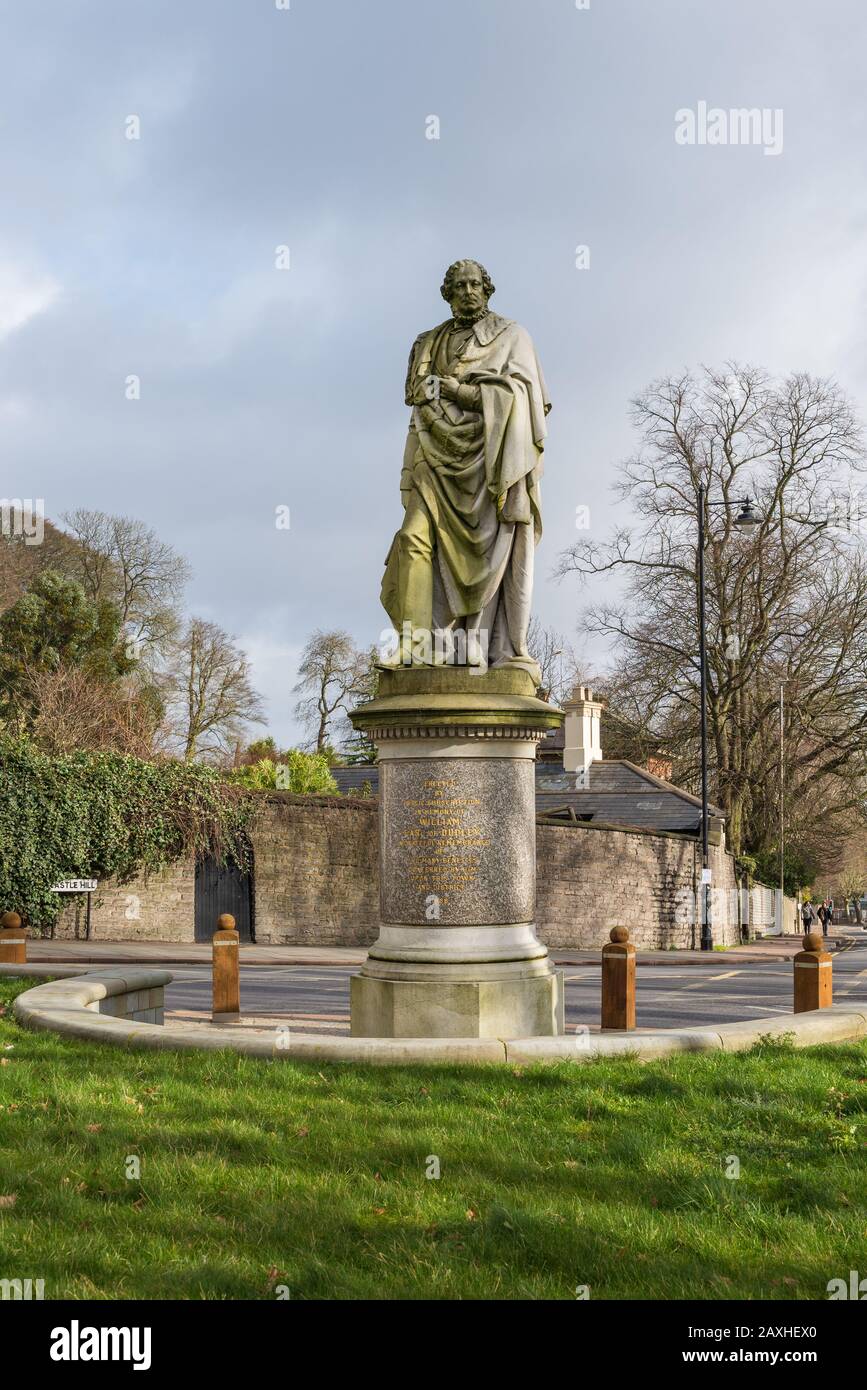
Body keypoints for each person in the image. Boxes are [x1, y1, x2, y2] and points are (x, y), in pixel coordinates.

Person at [381, 259, 551, 679]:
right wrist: (406, 475)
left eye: (475, 284)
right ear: (447, 293)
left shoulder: (511, 336)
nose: (468, 291)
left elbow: (524, 401)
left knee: (486, 556)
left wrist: (460, 391)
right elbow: (416, 418)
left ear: (487, 289)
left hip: (491, 467)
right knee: (412, 539)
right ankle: (416, 646)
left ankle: (476, 645)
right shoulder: (426, 344)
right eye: (458, 285)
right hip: (432, 463)